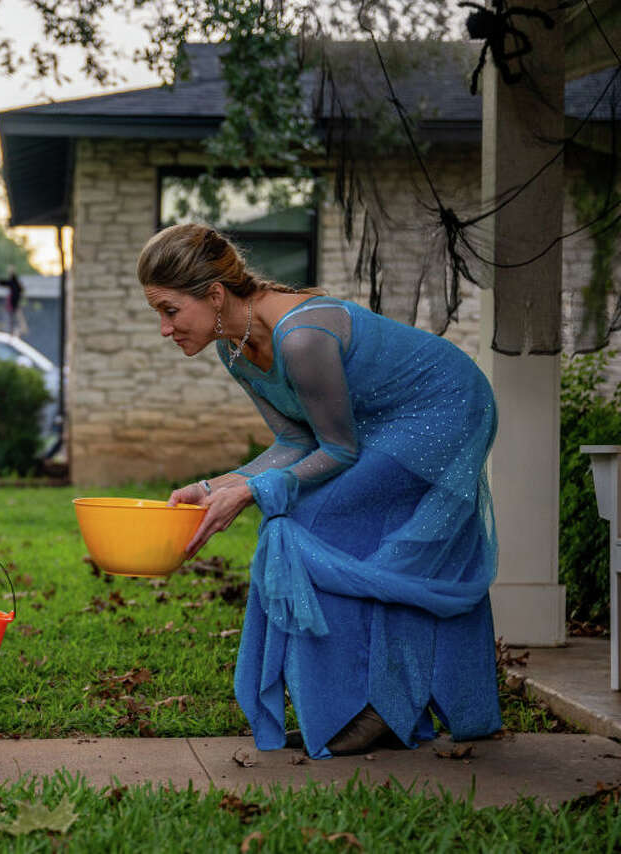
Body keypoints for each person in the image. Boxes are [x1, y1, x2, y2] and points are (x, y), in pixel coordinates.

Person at [138, 223, 501, 759]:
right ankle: (376, 701)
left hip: (440, 407)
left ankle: (370, 706)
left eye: (170, 310)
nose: (165, 329)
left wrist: (253, 494)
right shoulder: (233, 347)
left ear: (214, 295)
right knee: (325, 528)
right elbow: (295, 441)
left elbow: (338, 451)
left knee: (315, 525)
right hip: (370, 423)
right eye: (159, 314)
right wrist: (215, 485)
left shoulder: (299, 337)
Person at [0, 265, 27, 337]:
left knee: (20, 326)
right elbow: (3, 282)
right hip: (11, 308)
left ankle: (14, 332)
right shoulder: (15, 286)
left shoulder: (16, 285)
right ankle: (12, 332)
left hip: (14, 308)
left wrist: (12, 272)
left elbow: (12, 281)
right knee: (8, 325)